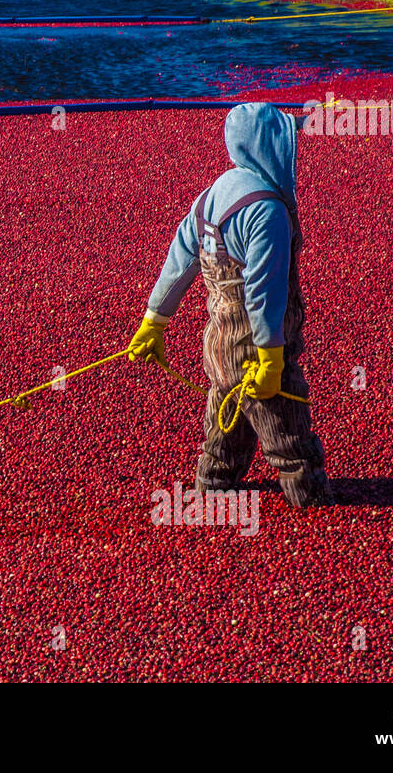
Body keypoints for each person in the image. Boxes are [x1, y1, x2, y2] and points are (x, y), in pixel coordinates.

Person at [126, 102, 333, 508]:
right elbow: (263, 290)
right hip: (257, 351)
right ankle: (312, 502)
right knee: (288, 434)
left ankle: (213, 487)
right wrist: (271, 359)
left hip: (219, 345)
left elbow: (180, 260)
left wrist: (155, 319)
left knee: (226, 424)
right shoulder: (267, 211)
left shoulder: (211, 195)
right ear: (273, 147)